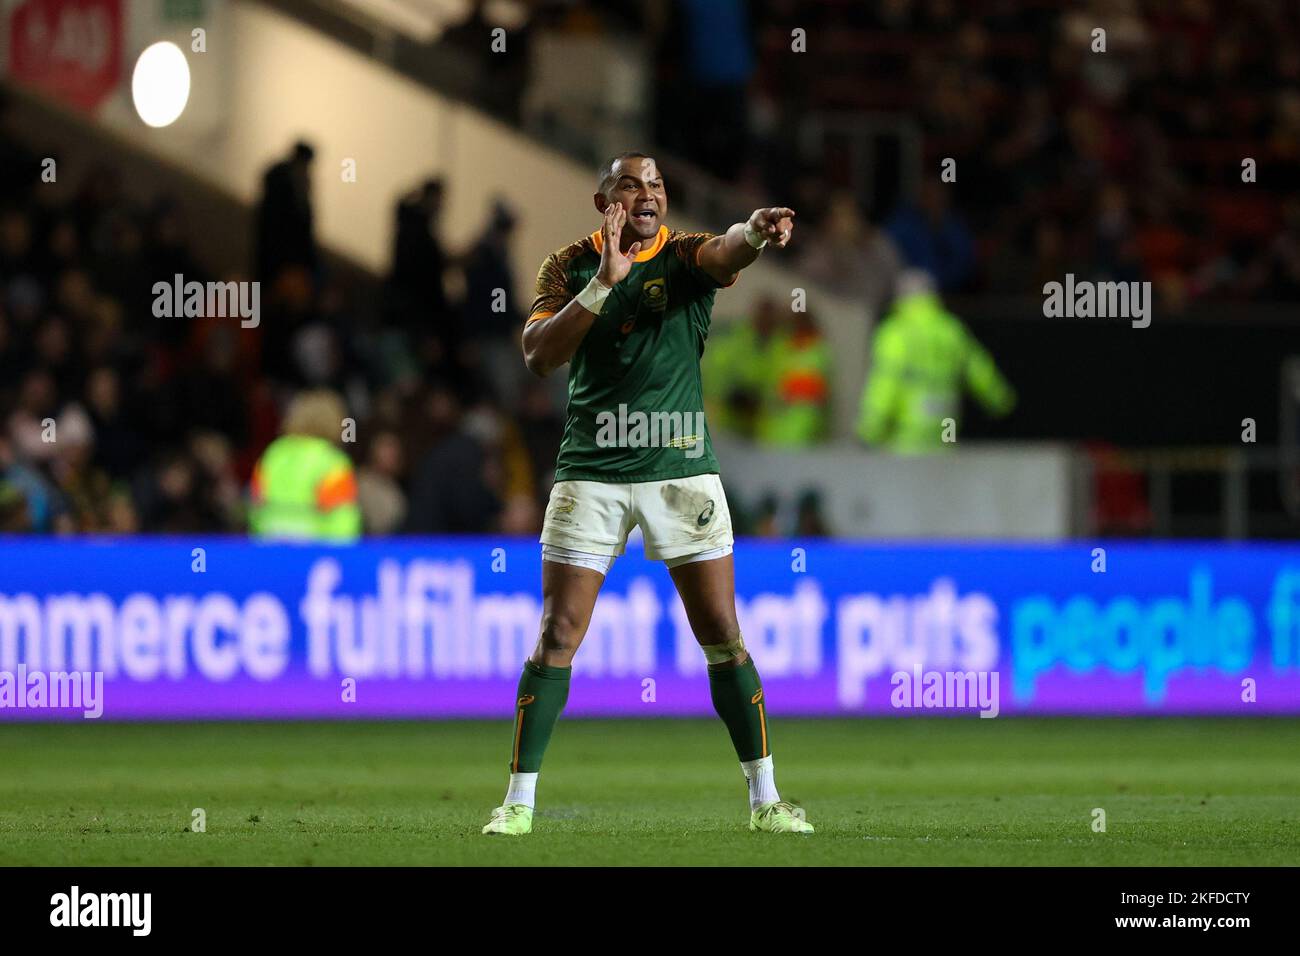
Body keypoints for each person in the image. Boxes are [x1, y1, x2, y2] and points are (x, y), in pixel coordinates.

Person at [481, 152, 813, 837]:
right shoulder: (567, 266)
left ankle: (766, 799)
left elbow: (725, 254)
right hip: (591, 473)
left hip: (682, 471)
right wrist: (602, 286)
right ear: (605, 198)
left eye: (656, 184)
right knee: (557, 634)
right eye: (631, 184)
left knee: (722, 633)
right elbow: (540, 355)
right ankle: (517, 805)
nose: (648, 194)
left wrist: (752, 231)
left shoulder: (686, 257)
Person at [857, 271, 1015, 453]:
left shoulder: (895, 333)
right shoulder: (951, 329)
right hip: (946, 430)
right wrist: (1002, 403)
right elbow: (980, 371)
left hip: (906, 438)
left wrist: (869, 430)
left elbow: (885, 384)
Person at [248, 389, 360, 542]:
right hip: (314, 550)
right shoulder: (333, 462)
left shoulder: (273, 454)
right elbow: (342, 520)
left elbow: (256, 505)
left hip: (270, 545)